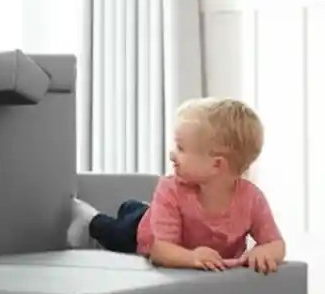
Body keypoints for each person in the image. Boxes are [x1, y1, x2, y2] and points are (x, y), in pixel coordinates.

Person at [68, 97, 286, 274]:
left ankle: (135, 208)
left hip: (164, 217)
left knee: (141, 210)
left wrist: (265, 251)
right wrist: (191, 257)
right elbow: (160, 250)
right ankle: (89, 217)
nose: (172, 154)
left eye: (181, 148)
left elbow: (276, 244)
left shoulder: (252, 199)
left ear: (216, 165)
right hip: (145, 233)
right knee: (116, 233)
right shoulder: (171, 188)